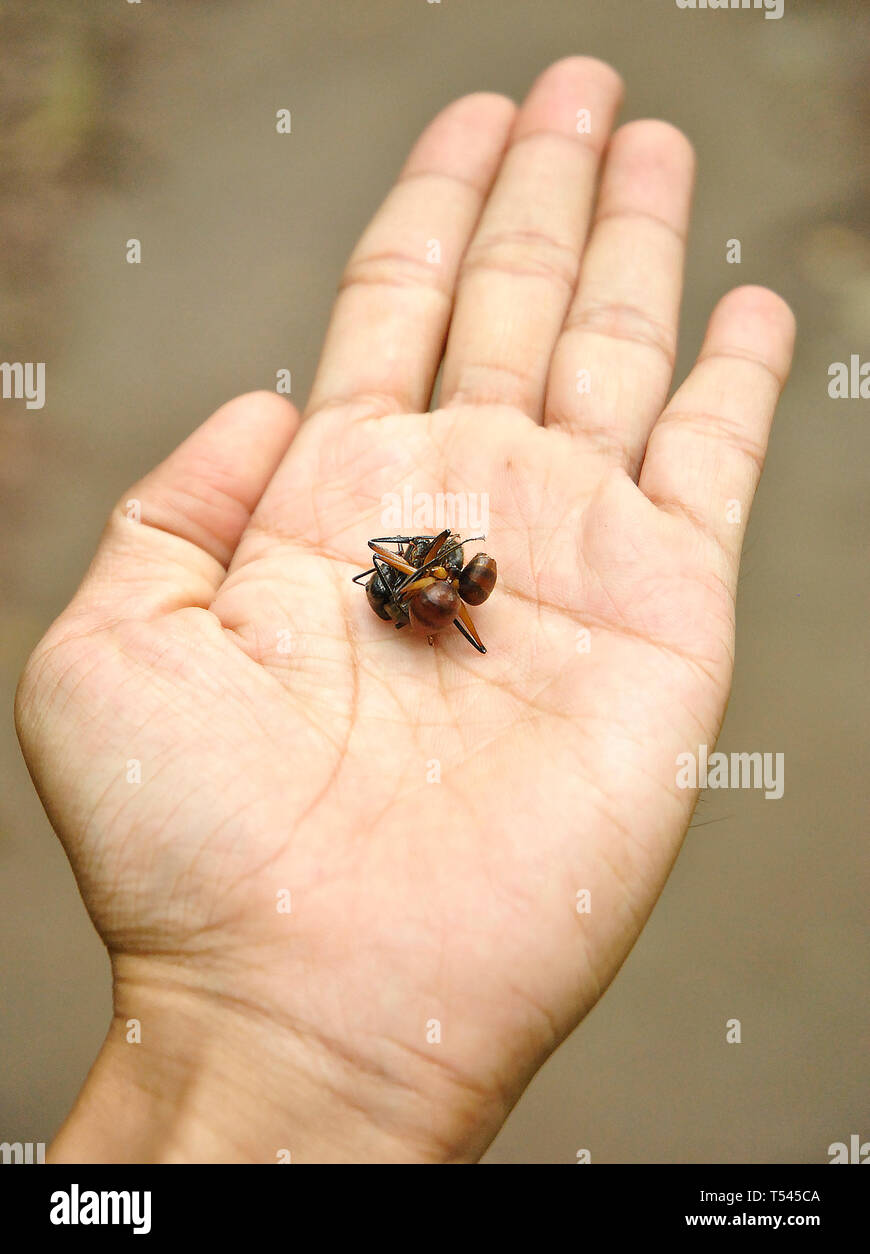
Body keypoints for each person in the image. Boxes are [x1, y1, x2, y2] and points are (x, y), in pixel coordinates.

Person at [15, 57, 795, 1163]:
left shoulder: (438, 584)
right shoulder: (424, 587)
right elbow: (410, 593)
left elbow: (424, 593)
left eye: (455, 580)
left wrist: (255, 1047)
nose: (457, 583)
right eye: (450, 582)